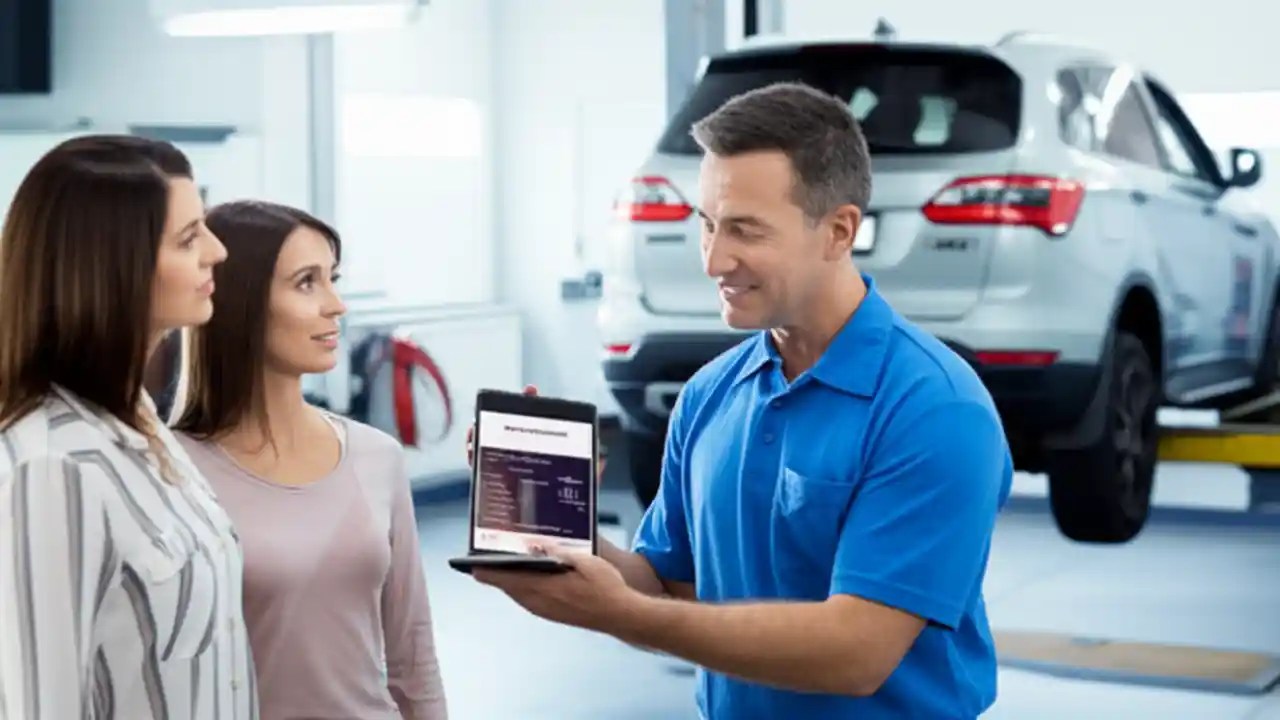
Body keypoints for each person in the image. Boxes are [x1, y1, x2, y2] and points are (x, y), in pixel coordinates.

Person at [466, 82, 1013, 719]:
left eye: (744, 231)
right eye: (707, 225)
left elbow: (857, 653)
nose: (714, 260)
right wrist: (559, 530)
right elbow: (671, 585)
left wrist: (625, 617)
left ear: (838, 232)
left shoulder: (935, 411)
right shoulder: (708, 395)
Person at [0, 135, 252, 719]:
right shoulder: (53, 468)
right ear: (114, 266)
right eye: (190, 238)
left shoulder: (141, 421)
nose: (217, 252)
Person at [168, 200, 448, 720]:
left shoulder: (376, 456)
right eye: (306, 282)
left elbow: (414, 654)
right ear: (241, 301)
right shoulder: (170, 472)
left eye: (332, 278)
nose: (336, 304)